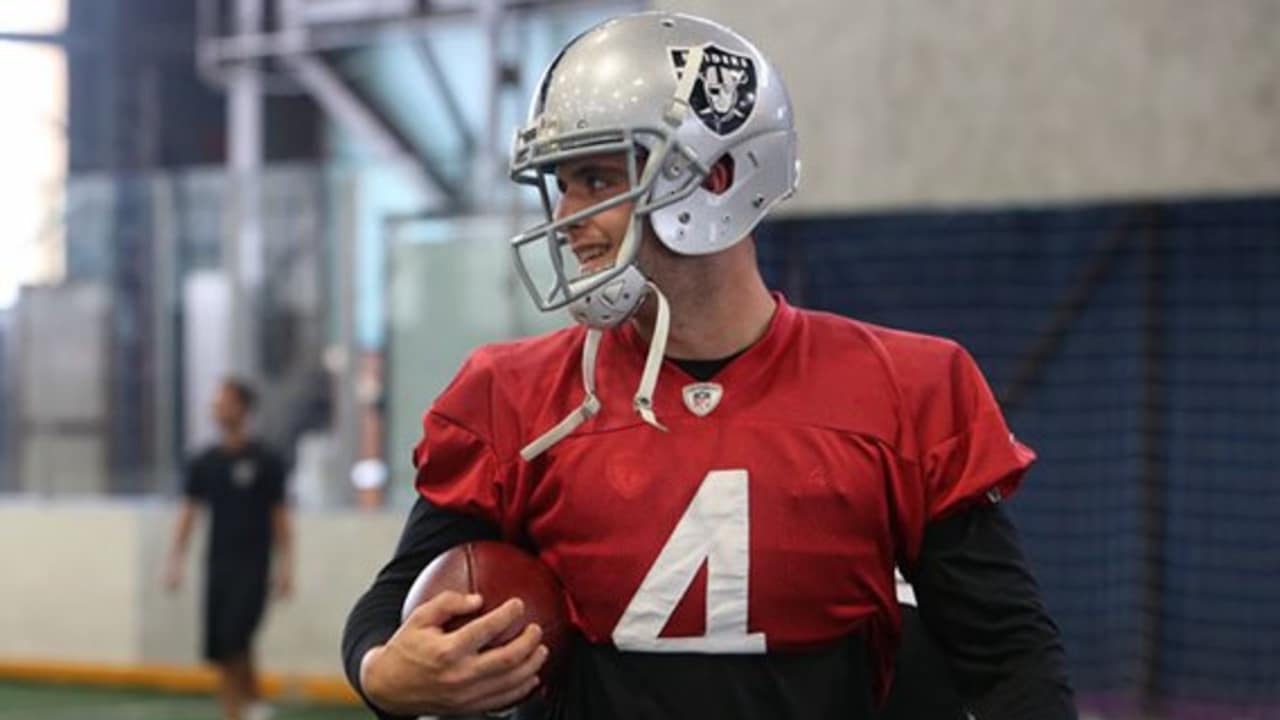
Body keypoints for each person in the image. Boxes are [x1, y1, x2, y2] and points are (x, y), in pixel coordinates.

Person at [343, 11, 1074, 720]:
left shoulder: (907, 387)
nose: (564, 220)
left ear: (716, 178)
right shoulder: (511, 394)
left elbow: (1007, 654)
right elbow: (392, 603)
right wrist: (384, 674)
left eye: (596, 181)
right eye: (560, 185)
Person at [165, 378, 294, 720]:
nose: (217, 408)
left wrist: (286, 567)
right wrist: (175, 560)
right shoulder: (205, 462)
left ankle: (235, 711)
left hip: (253, 565)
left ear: (243, 408)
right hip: (218, 565)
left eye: (225, 402)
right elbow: (189, 513)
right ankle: (251, 704)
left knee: (236, 637)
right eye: (216, 403)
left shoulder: (266, 460)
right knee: (225, 643)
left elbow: (280, 517)